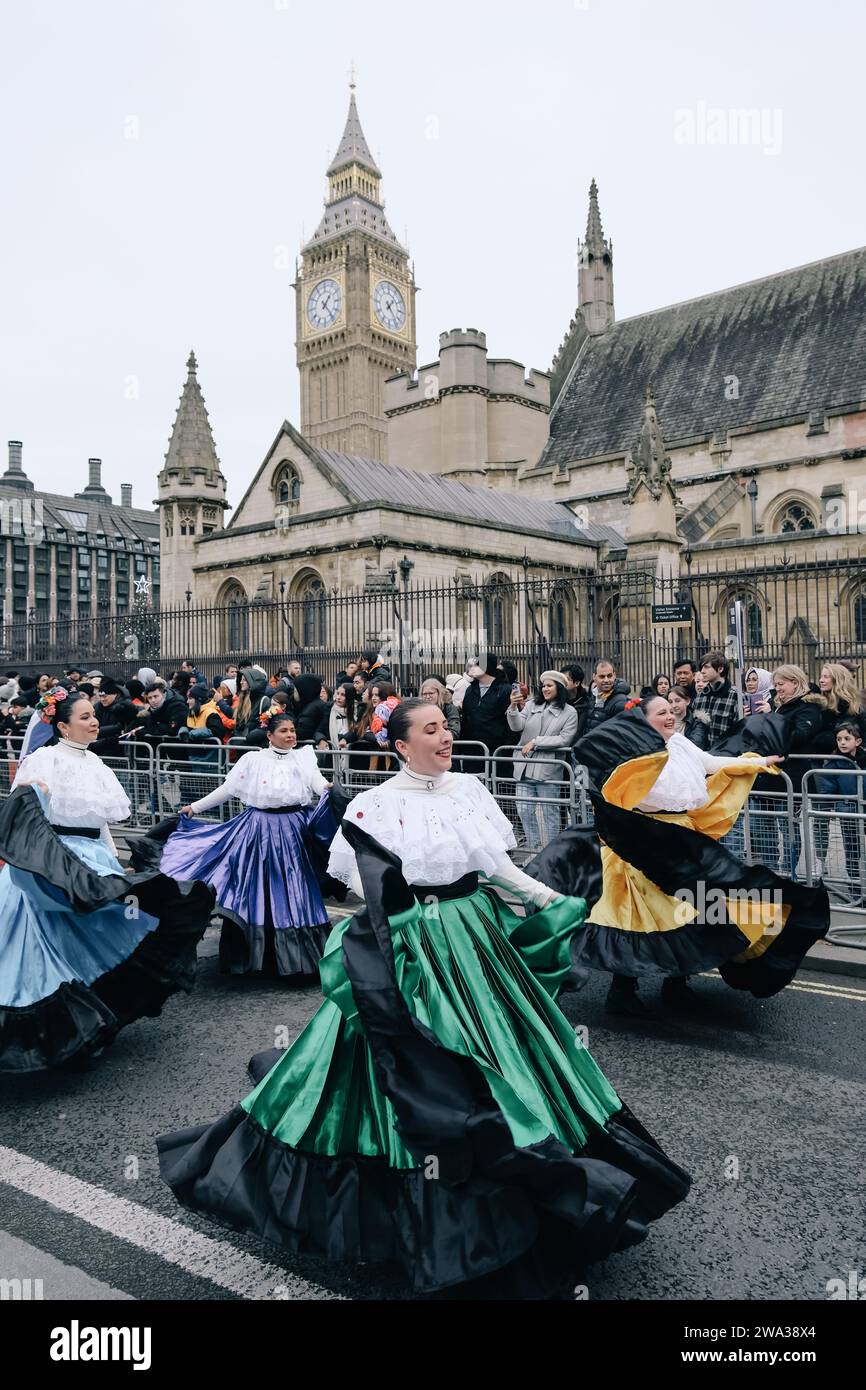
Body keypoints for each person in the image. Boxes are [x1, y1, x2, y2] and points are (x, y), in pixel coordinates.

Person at [157, 698, 690, 1299]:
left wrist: (547, 899)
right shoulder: (373, 805)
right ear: (401, 744)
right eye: (431, 729)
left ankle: (536, 1174)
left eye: (446, 727)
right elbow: (361, 882)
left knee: (508, 1051)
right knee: (401, 1058)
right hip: (412, 941)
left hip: (473, 933)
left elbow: (496, 866)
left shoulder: (469, 789)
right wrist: (397, 912)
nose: (445, 737)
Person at [534, 694, 827, 1016]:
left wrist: (756, 763)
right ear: (642, 721)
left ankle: (675, 985)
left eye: (671, 710)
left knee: (695, 910)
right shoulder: (633, 756)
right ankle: (622, 992)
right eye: (661, 713)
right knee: (640, 918)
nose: (670, 716)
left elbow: (712, 764)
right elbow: (611, 781)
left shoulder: (682, 744)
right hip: (644, 841)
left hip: (684, 838)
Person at [0, 688, 213, 1071]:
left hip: (93, 861)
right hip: (52, 863)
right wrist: (40, 796)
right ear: (62, 725)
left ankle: (92, 1018)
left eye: (93, 714)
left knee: (100, 935)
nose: (94, 720)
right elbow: (25, 817)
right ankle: (63, 1029)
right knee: (51, 944)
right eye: (84, 716)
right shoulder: (43, 760)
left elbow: (99, 827)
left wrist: (117, 866)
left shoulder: (97, 764)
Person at [155, 713, 336, 978]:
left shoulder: (304, 757)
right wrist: (194, 807)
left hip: (294, 830)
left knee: (296, 887)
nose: (290, 735)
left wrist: (328, 788)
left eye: (292, 730)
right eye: (284, 731)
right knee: (257, 889)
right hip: (258, 829)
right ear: (270, 735)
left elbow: (316, 781)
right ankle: (256, 956)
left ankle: (298, 960)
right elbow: (228, 789)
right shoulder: (252, 760)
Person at [507, 671, 579, 850]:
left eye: (549, 685)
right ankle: (534, 848)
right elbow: (517, 726)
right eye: (544, 685)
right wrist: (513, 708)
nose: (545, 689)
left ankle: (550, 851)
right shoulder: (531, 705)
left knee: (550, 813)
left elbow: (564, 739)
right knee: (524, 810)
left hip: (548, 770)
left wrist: (536, 742)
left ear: (559, 688)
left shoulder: (570, 712)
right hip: (524, 767)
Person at [813, 720, 866, 894]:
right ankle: (856, 890)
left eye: (847, 738)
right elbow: (827, 791)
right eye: (839, 739)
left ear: (857, 742)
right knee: (852, 851)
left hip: (862, 809)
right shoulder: (833, 763)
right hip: (849, 812)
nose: (842, 742)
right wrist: (831, 806)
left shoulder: (864, 759)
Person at [459, 653, 512, 763]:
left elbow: (509, 723)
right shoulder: (470, 690)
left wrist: (506, 750)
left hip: (497, 751)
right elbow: (465, 719)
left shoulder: (505, 690)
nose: (471, 668)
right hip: (472, 749)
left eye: (476, 665)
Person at [691, 652, 740, 743]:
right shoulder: (700, 696)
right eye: (702, 667)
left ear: (720, 669)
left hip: (725, 753)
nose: (702, 671)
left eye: (706, 667)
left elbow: (739, 731)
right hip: (701, 753)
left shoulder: (735, 696)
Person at [587, 659, 630, 728]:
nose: (606, 680)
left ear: (614, 675)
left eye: (609, 676)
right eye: (602, 676)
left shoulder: (621, 701)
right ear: (594, 677)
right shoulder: (591, 695)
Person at [667, 684, 710, 749]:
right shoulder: (665, 721)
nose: (673, 705)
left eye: (677, 701)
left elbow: (695, 746)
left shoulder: (697, 722)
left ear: (687, 701)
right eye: (670, 702)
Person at [562, 663, 592, 740]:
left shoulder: (587, 702)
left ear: (577, 683)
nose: (562, 682)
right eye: (561, 679)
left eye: (566, 679)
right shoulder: (555, 699)